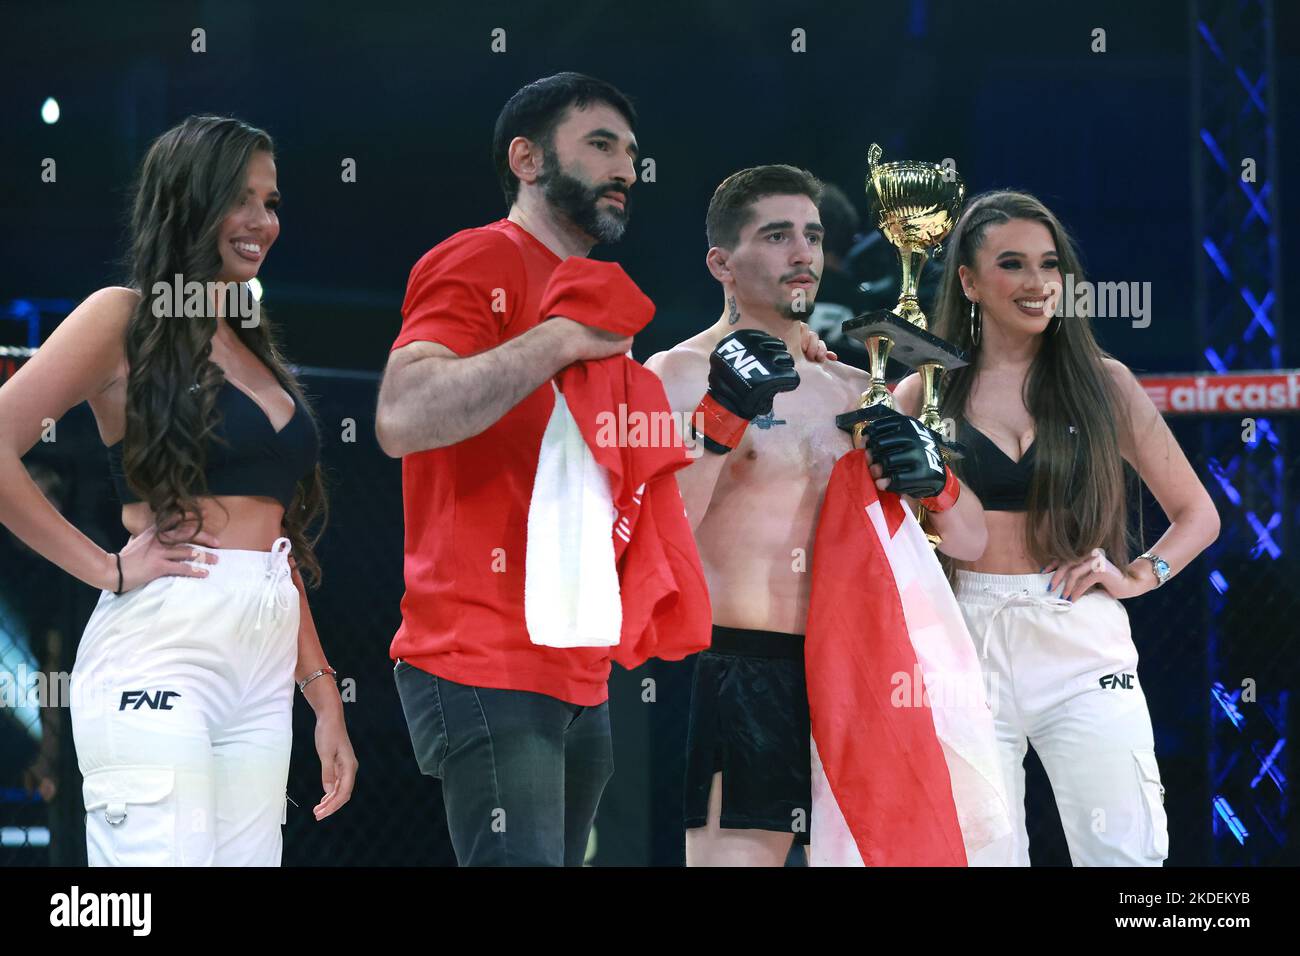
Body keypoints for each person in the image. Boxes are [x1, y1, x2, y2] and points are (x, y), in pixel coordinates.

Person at [0, 115, 356, 866]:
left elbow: (272, 540)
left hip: (262, 666)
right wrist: (107, 566)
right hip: (162, 649)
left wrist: (321, 688)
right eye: (243, 199)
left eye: (273, 201)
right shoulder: (121, 319)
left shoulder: (249, 336)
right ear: (189, 202)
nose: (265, 222)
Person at [645, 165, 988, 866]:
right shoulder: (675, 374)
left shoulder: (860, 388)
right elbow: (658, 536)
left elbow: (971, 540)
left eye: (812, 235)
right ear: (722, 263)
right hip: (740, 663)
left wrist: (938, 483)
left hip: (863, 669)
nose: (803, 253)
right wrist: (721, 416)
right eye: (776, 236)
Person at [895, 189, 1220, 866]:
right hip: (963, 638)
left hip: (1078, 637)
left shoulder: (1105, 383)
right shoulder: (924, 392)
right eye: (1012, 264)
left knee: (1125, 853)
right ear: (969, 281)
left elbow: (1199, 515)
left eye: (1050, 265)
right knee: (982, 853)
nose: (1038, 283)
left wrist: (1137, 576)